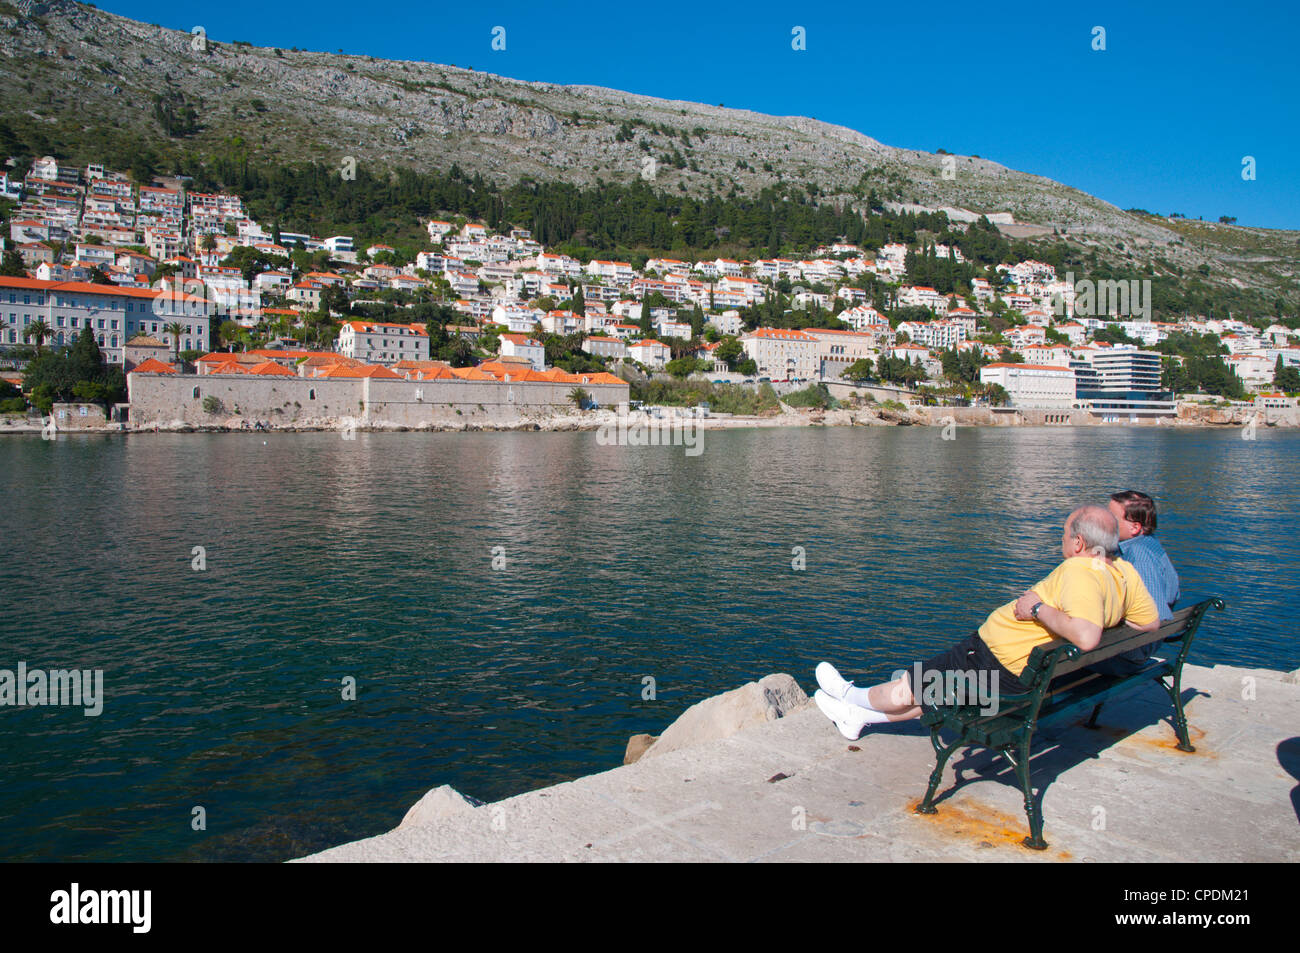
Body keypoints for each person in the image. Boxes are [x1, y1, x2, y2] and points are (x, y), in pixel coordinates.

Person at [813, 505, 1161, 740]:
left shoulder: (1080, 570)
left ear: (1079, 542)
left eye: (1064, 534)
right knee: (939, 692)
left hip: (999, 664)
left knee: (912, 684)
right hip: (1030, 674)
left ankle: (850, 695)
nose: (1062, 540)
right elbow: (1150, 624)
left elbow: (1085, 636)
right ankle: (857, 716)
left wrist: (1038, 609)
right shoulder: (1122, 571)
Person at [1087, 490, 1181, 676]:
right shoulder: (1147, 545)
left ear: (1135, 528)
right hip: (1133, 643)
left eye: (1111, 517)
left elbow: (1155, 614)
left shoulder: (1139, 556)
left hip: (1131, 650)